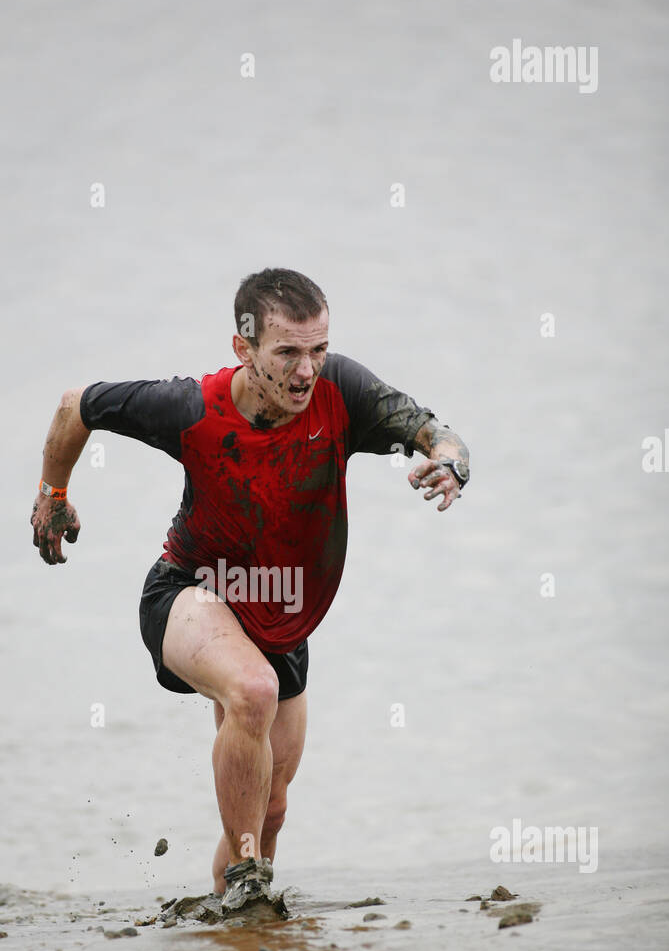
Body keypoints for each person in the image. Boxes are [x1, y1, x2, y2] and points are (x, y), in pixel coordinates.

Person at [31, 269, 469, 909]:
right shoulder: (191, 408)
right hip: (190, 593)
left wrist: (451, 462)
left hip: (283, 618)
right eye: (287, 352)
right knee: (252, 691)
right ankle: (247, 884)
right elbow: (76, 404)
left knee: (273, 807)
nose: (306, 371)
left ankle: (235, 919)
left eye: (317, 350)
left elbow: (435, 430)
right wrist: (54, 495)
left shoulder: (342, 391)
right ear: (244, 348)